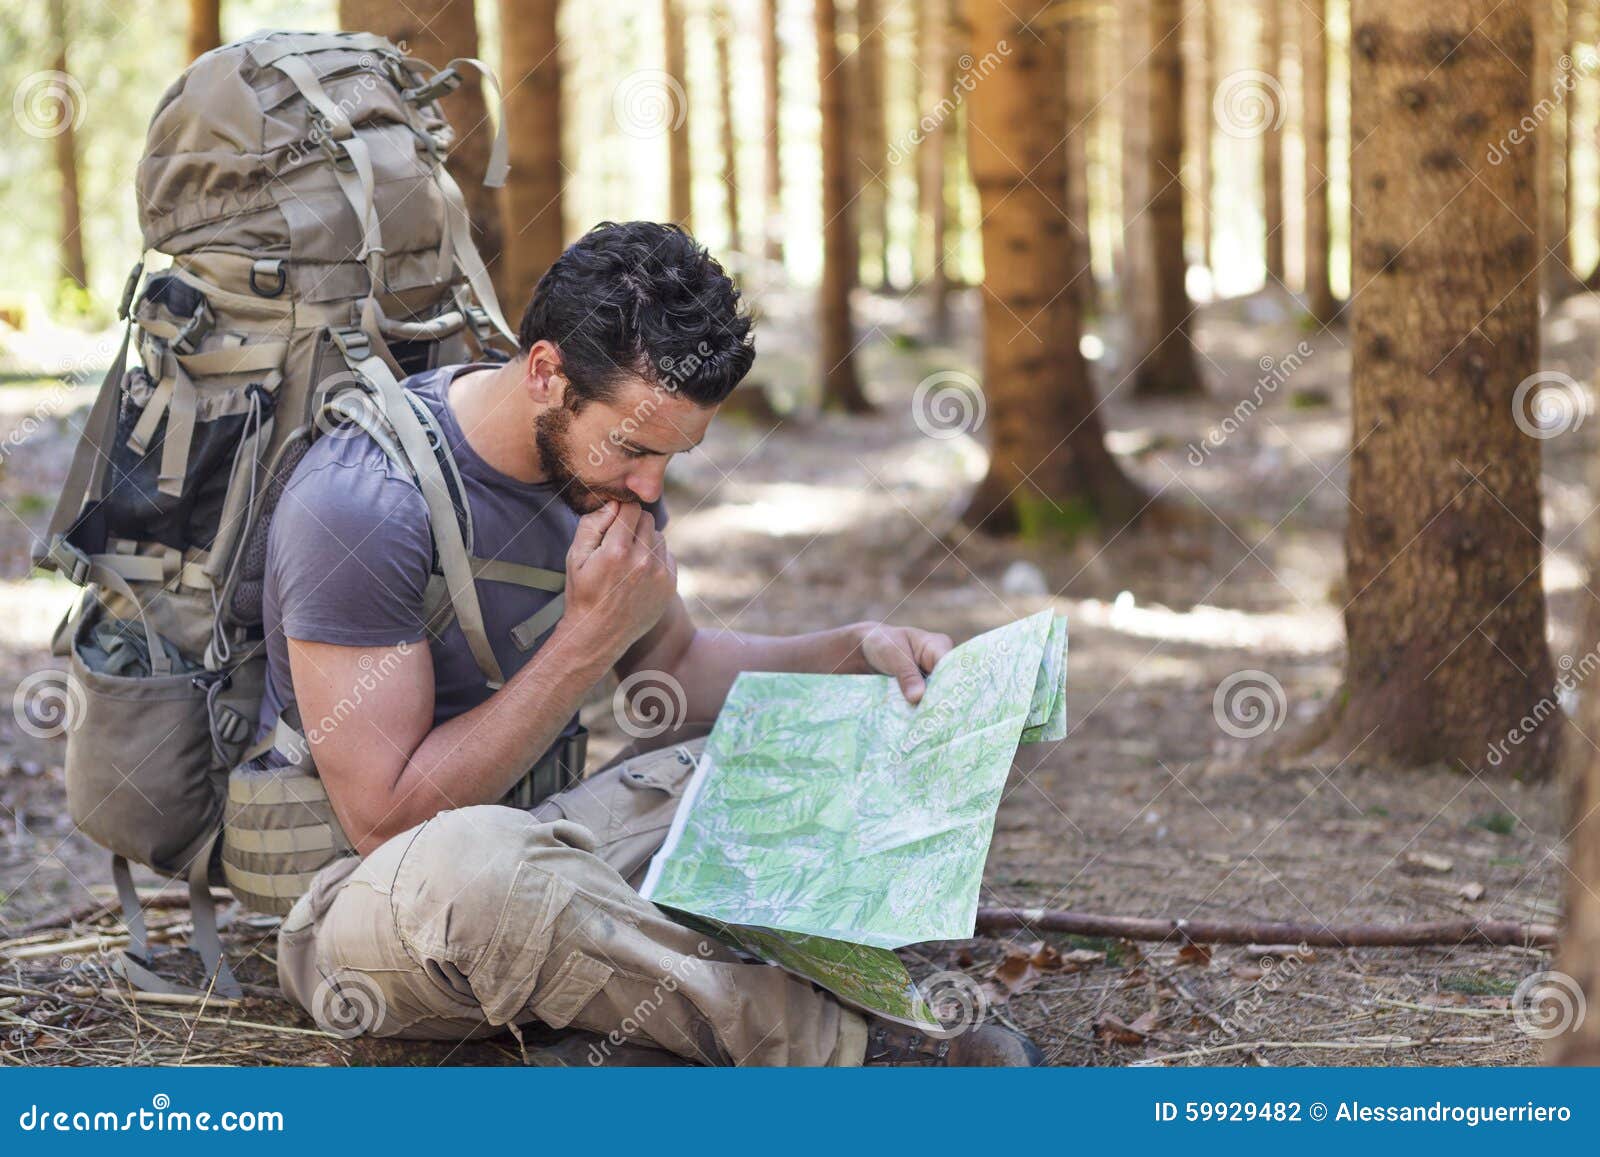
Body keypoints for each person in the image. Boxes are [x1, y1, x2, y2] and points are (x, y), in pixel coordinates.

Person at [265, 221, 1041, 1066]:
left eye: (673, 456)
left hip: (549, 846)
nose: (649, 486)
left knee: (813, 749)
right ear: (545, 373)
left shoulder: (606, 469)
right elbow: (385, 821)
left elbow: (671, 670)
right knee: (486, 870)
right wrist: (584, 640)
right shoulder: (361, 504)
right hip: (372, 902)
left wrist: (854, 653)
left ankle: (620, 1028)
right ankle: (867, 1051)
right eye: (634, 448)